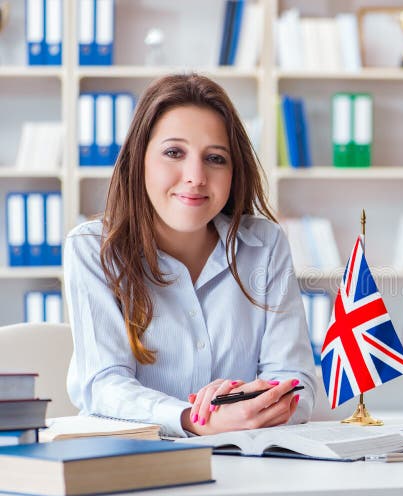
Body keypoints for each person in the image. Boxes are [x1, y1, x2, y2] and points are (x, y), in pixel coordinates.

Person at [65, 74, 317, 437]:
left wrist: (255, 401)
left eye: (215, 158)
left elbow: (297, 383)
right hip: (132, 464)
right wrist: (194, 419)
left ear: (234, 171)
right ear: (140, 160)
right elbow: (102, 385)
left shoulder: (265, 243)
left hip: (247, 460)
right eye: (174, 153)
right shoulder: (92, 248)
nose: (196, 177)